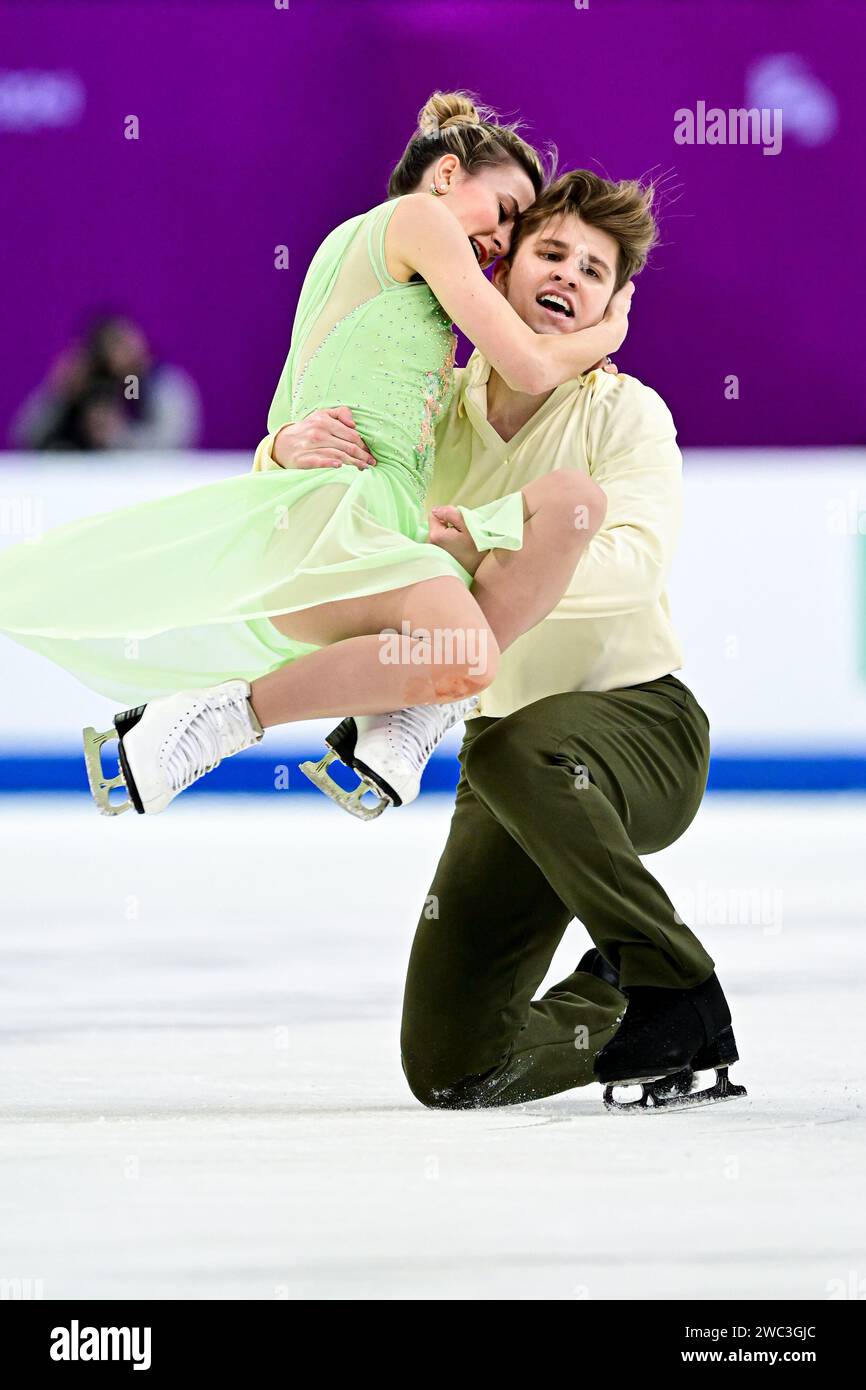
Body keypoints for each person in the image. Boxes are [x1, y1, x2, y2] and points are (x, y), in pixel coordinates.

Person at [0, 92, 631, 820]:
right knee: (468, 656)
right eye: (509, 209)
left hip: (376, 530)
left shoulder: (401, 283)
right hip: (333, 529)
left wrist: (277, 444)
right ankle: (225, 715)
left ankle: (406, 709)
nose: (508, 236)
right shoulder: (416, 220)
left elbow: (323, 383)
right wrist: (607, 330)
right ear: (449, 174)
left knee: (560, 517)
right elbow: (525, 363)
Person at [275, 169, 744, 1110]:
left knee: (526, 747)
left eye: (594, 269)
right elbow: (335, 489)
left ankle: (679, 988)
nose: (568, 275)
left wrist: (483, 539)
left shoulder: (625, 413)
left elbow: (633, 563)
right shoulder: (433, 406)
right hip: (504, 759)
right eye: (550, 252)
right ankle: (614, 1005)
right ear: (504, 267)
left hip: (641, 730)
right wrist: (283, 448)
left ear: (615, 302)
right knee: (455, 1066)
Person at [11, 315, 202, 451]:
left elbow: (172, 441)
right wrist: (58, 392)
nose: (120, 354)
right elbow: (25, 436)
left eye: (124, 343)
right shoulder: (84, 383)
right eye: (108, 347)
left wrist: (118, 436)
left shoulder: (151, 382)